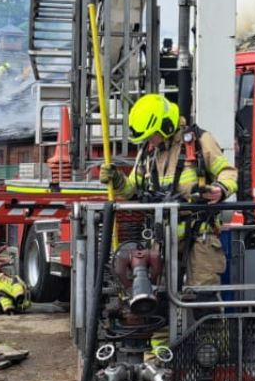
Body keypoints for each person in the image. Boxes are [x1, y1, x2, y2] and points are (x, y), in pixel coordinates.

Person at [99, 93, 238, 294]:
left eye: (151, 136)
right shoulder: (149, 152)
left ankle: (208, 327)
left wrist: (220, 189)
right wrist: (117, 180)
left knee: (202, 299)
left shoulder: (199, 142)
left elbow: (228, 172)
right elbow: (132, 191)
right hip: (162, 238)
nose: (150, 141)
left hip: (199, 236)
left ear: (166, 126)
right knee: (159, 299)